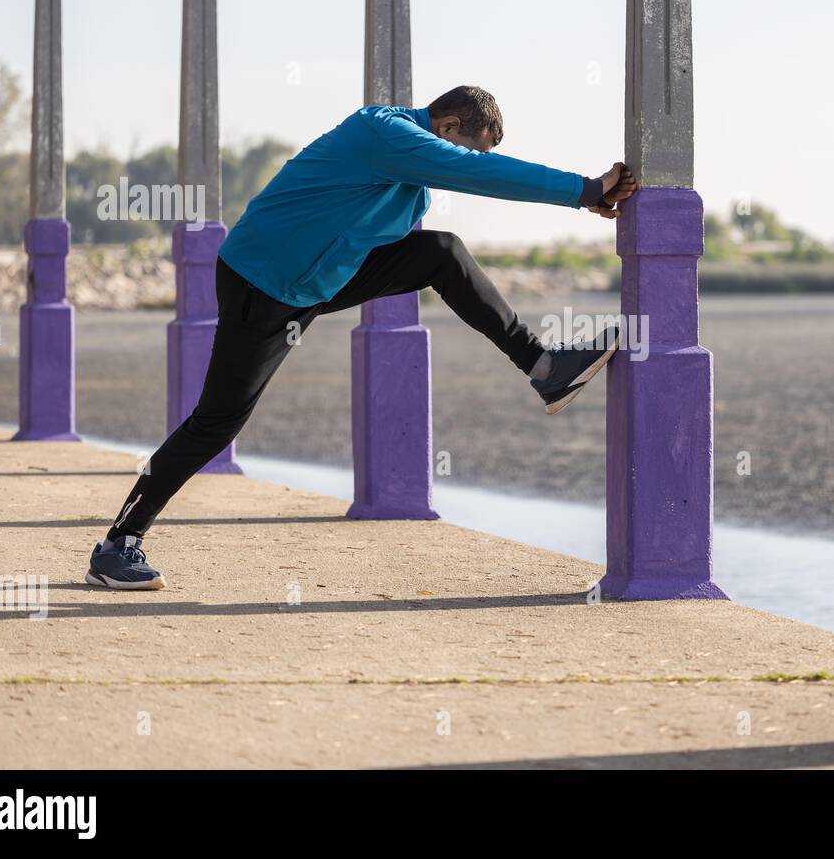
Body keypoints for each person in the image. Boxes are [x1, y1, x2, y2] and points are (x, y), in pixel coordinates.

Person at [87, 85, 638, 590]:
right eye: (471, 148)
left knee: (439, 253)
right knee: (216, 422)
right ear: (447, 126)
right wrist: (584, 189)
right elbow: (482, 176)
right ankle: (117, 545)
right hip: (264, 280)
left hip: (313, 282)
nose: (471, 163)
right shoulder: (387, 133)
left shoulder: (411, 181)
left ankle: (543, 368)